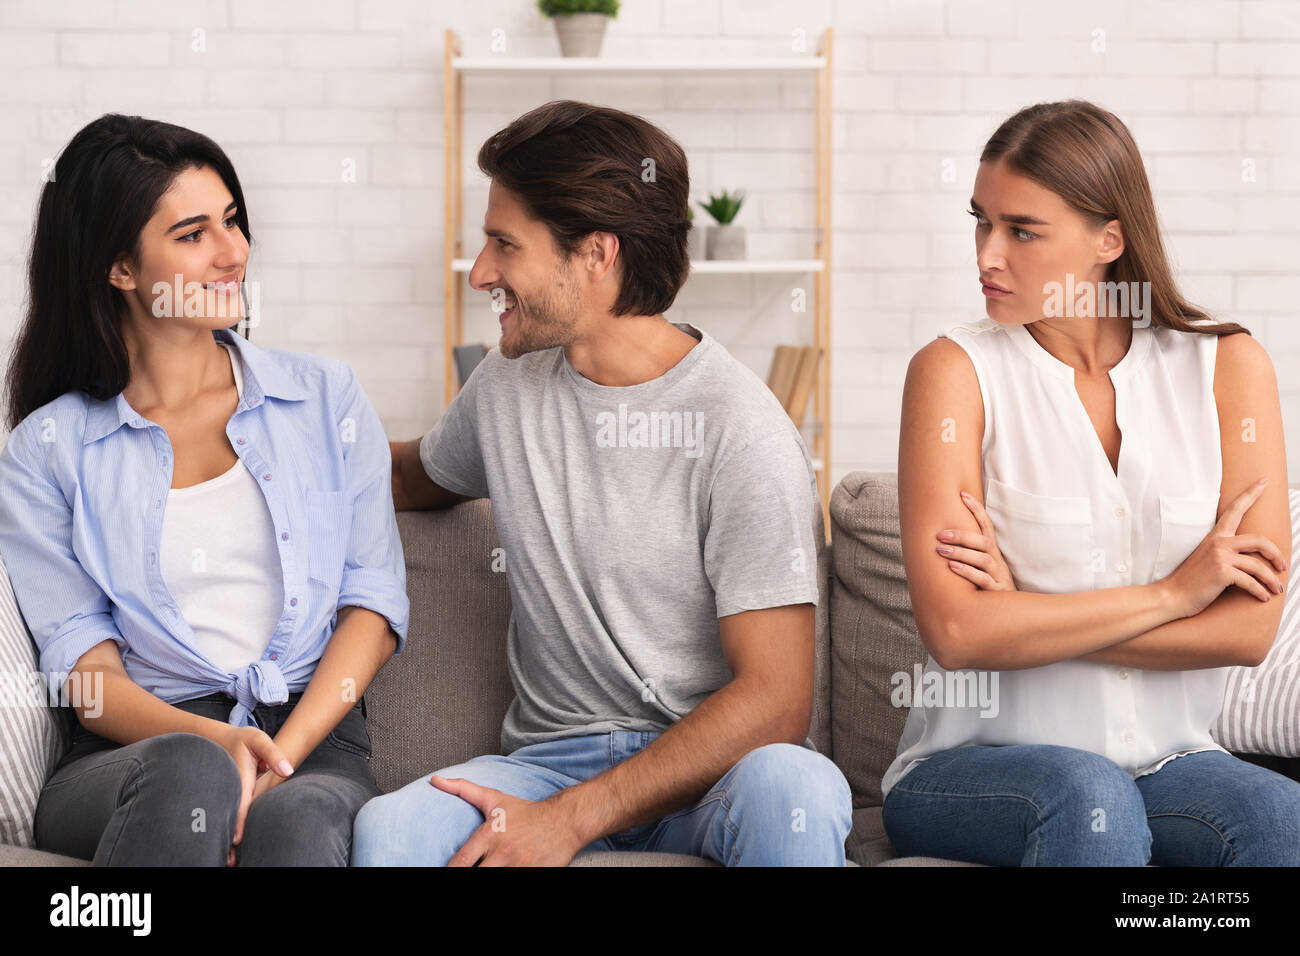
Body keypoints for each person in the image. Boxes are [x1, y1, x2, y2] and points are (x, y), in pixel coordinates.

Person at [353, 100, 852, 867]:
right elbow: (406, 475)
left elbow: (778, 701)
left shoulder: (740, 429)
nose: (482, 272)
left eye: (503, 244)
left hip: (707, 775)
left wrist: (572, 821)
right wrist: (244, 444)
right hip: (544, 764)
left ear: (595, 254)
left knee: (797, 789)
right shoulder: (507, 385)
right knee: (392, 832)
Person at [882, 99, 1300, 866]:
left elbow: (1246, 632)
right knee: (1088, 794)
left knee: (1280, 815)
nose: (986, 256)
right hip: (975, 768)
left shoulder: (1227, 368)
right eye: (981, 221)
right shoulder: (954, 373)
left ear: (1110, 238)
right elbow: (959, 633)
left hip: (1171, 764)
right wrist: (1176, 594)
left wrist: (1027, 613)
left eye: (1022, 231)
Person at [0, 114, 409, 866]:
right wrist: (217, 744)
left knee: (294, 818)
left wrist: (274, 757)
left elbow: (373, 608)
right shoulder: (47, 449)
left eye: (231, 221)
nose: (234, 253)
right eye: (192, 235)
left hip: (311, 745)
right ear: (119, 268)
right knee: (192, 773)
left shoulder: (326, 399)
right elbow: (81, 666)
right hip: (137, 756)